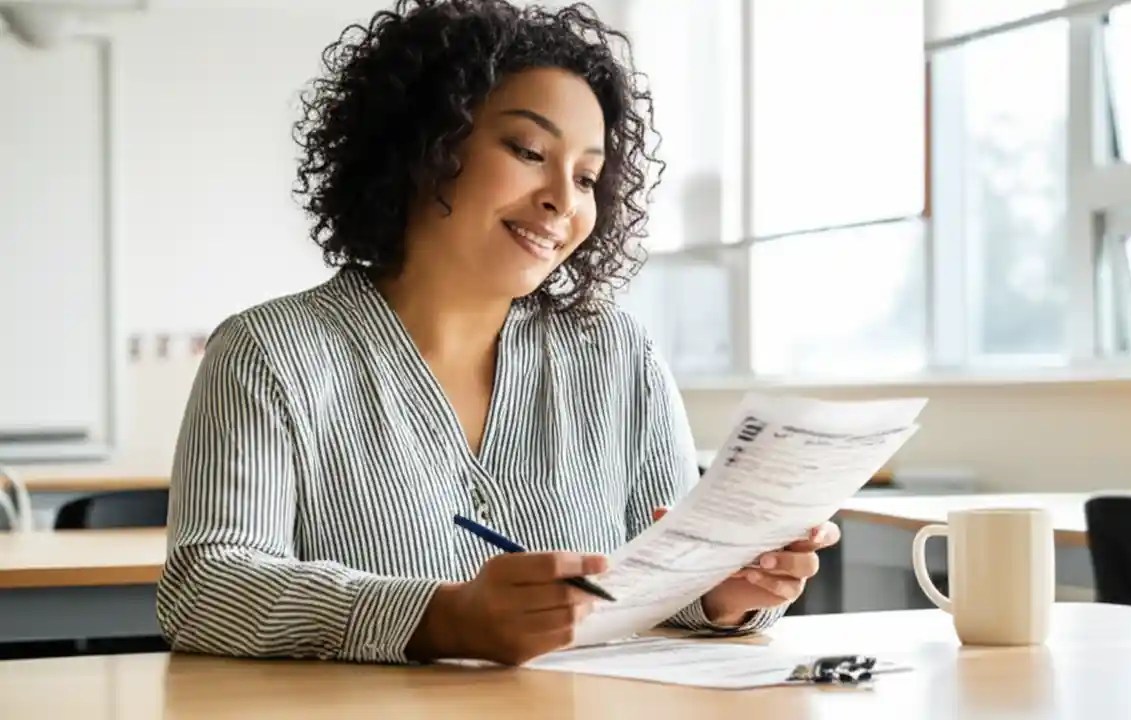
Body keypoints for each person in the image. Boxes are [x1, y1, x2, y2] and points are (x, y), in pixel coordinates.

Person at [157, 0, 840, 666]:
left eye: (587, 177)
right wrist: (440, 618)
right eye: (527, 149)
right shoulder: (269, 354)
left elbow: (659, 574)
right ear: (424, 143)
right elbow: (206, 588)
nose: (563, 202)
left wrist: (721, 590)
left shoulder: (620, 357)